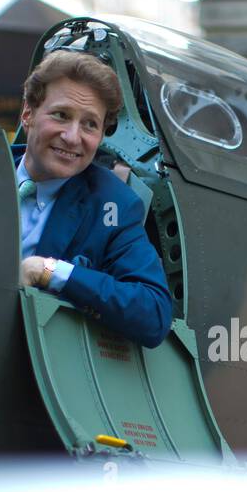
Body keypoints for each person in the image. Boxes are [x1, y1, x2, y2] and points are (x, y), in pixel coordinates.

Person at [16, 50, 172, 348]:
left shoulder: (113, 205)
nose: (73, 137)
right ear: (28, 114)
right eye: (61, 115)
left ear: (101, 135)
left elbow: (152, 313)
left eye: (90, 124)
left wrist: (48, 271)